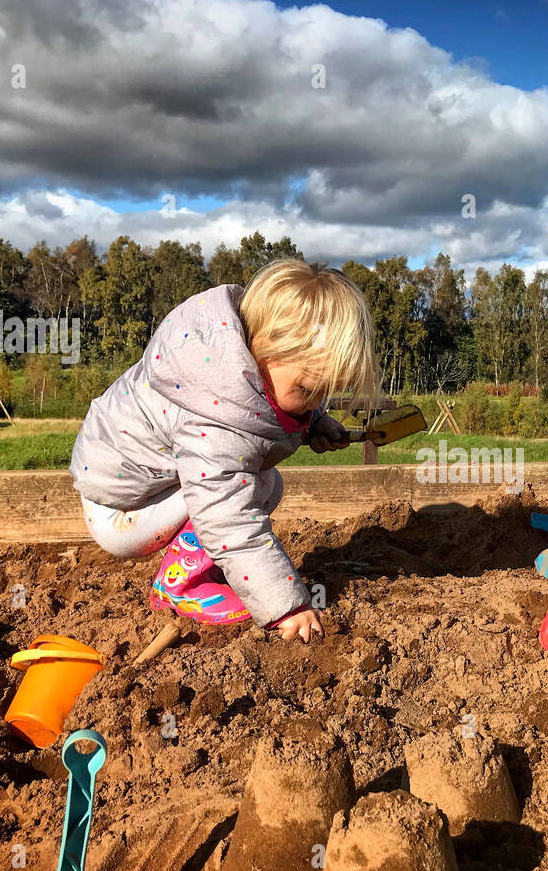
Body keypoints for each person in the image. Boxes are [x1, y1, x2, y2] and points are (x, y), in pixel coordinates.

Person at [70, 260, 379, 642]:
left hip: (144, 490)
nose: (312, 402)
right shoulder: (211, 412)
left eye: (323, 395)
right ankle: (181, 587)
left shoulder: (235, 364)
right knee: (253, 487)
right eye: (308, 391)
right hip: (122, 513)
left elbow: (271, 407)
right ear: (263, 351)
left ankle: (207, 569)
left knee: (263, 482)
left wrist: (316, 421)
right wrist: (288, 605)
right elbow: (227, 516)